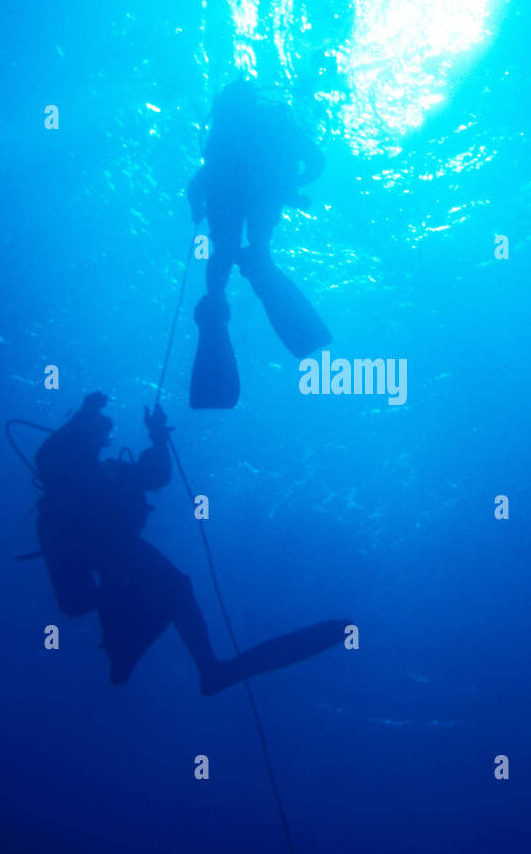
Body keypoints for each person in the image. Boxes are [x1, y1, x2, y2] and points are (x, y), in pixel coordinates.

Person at [34, 392, 346, 693]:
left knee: (167, 587)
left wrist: (157, 437)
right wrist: (85, 415)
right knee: (162, 588)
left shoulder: (107, 472)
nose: (100, 443)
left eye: (101, 437)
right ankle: (187, 665)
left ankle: (146, 657)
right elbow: (51, 457)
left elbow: (154, 476)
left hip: (108, 552)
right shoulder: (63, 470)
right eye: (97, 436)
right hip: (94, 548)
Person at [186, 79, 331, 408]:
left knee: (222, 256)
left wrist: (196, 206)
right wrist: (291, 187)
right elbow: (317, 161)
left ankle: (215, 303)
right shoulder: (274, 123)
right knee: (256, 253)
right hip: (263, 195)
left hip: (229, 200)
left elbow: (200, 181)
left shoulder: (223, 131)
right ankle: (256, 271)